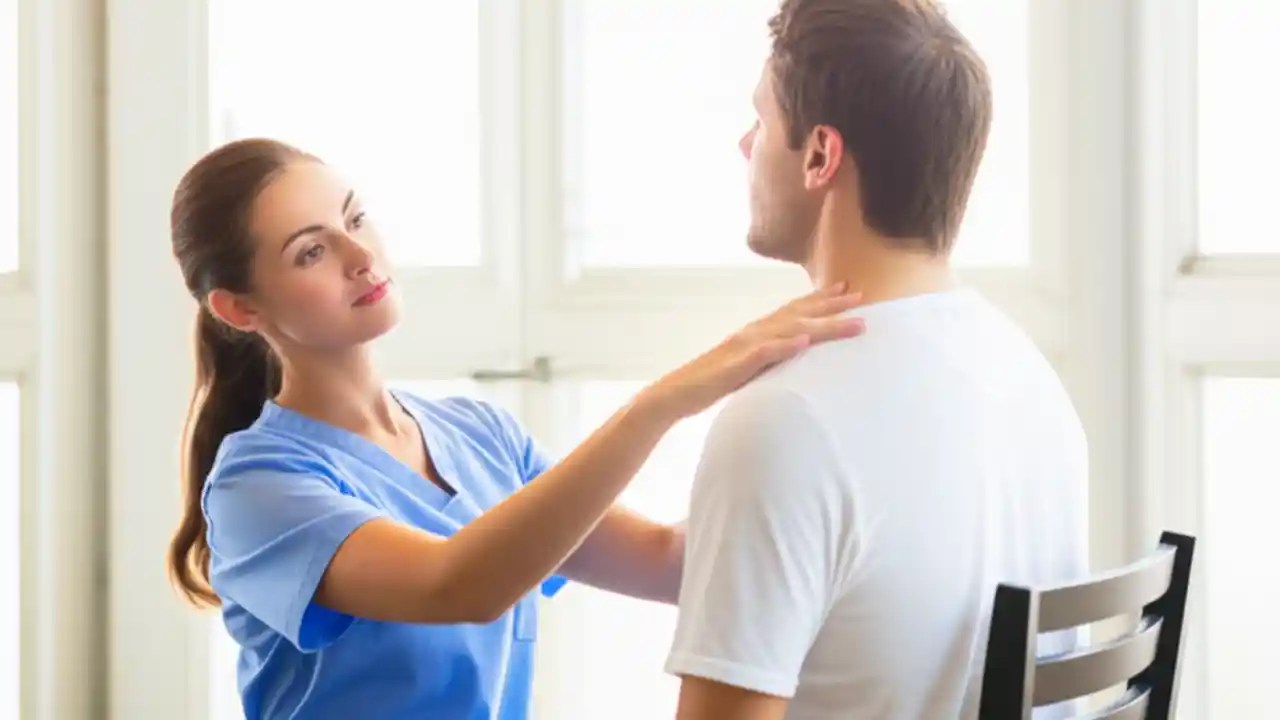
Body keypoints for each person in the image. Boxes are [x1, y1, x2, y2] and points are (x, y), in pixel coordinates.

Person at [164, 136, 865, 720]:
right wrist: (665, 401)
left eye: (355, 219)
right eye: (310, 252)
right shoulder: (255, 488)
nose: (361, 256)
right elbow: (456, 585)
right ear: (240, 309)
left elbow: (669, 561)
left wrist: (842, 451)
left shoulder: (479, 437)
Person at [663, 1, 1089, 719]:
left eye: (761, 120)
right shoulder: (1025, 376)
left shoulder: (786, 422)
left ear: (820, 156)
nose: (745, 144)